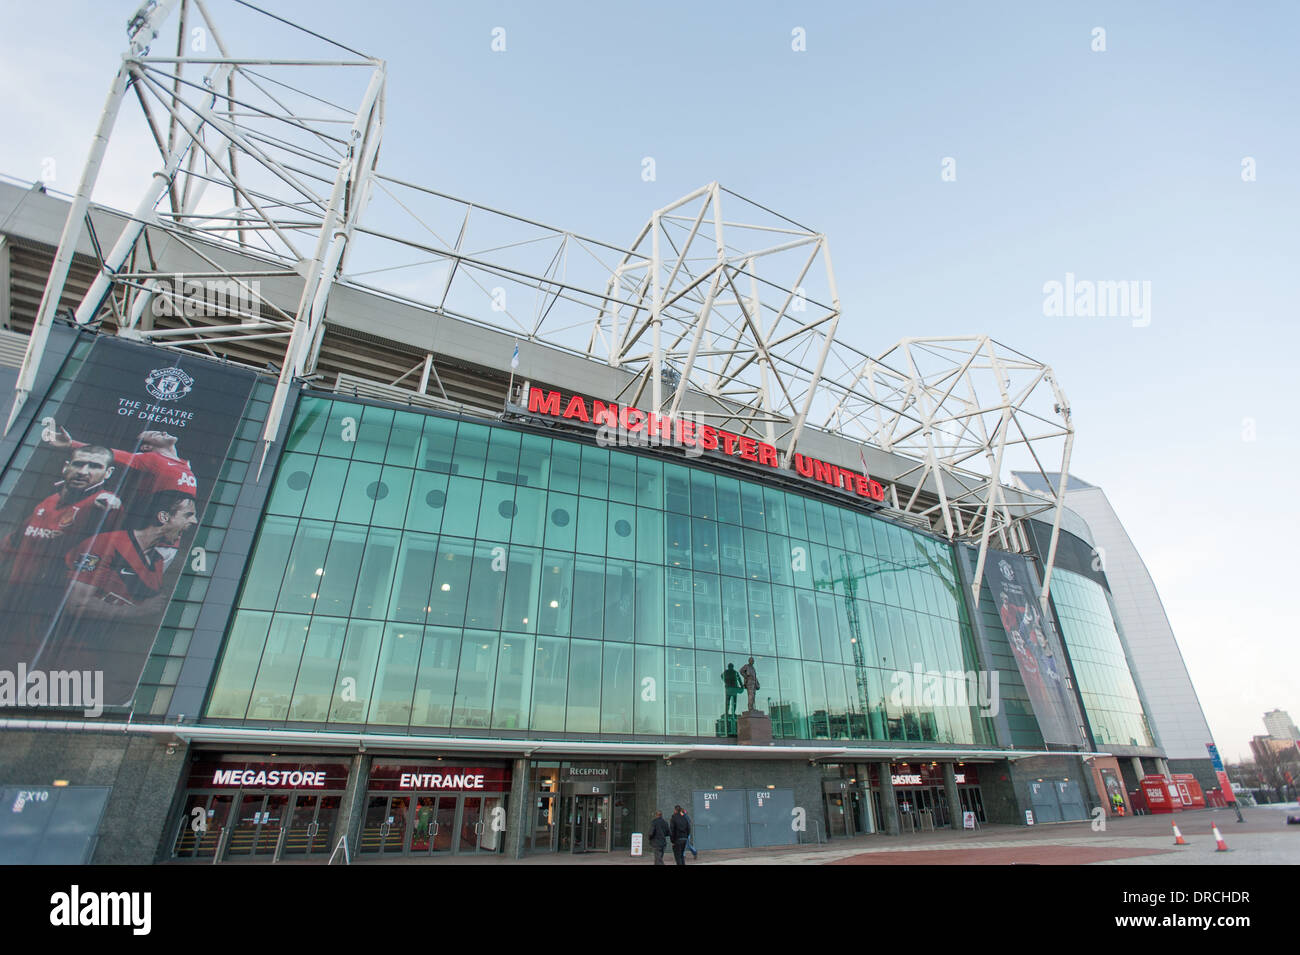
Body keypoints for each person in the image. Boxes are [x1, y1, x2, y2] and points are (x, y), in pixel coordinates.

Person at [0, 445, 121, 666]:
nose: (83, 471)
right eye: (78, 464)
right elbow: (13, 542)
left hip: (45, 615)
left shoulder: (100, 503)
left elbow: (107, 504)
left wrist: (109, 502)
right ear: (66, 467)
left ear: (108, 474)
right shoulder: (47, 501)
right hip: (12, 604)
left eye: (94, 466)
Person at [62, 490, 198, 621]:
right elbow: (76, 603)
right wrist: (138, 611)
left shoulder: (157, 561)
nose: (194, 521)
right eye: (188, 515)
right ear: (163, 517)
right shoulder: (105, 544)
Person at [46, 423, 198, 497]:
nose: (163, 431)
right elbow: (108, 453)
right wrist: (71, 444)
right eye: (155, 434)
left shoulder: (186, 464)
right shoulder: (149, 459)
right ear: (145, 447)